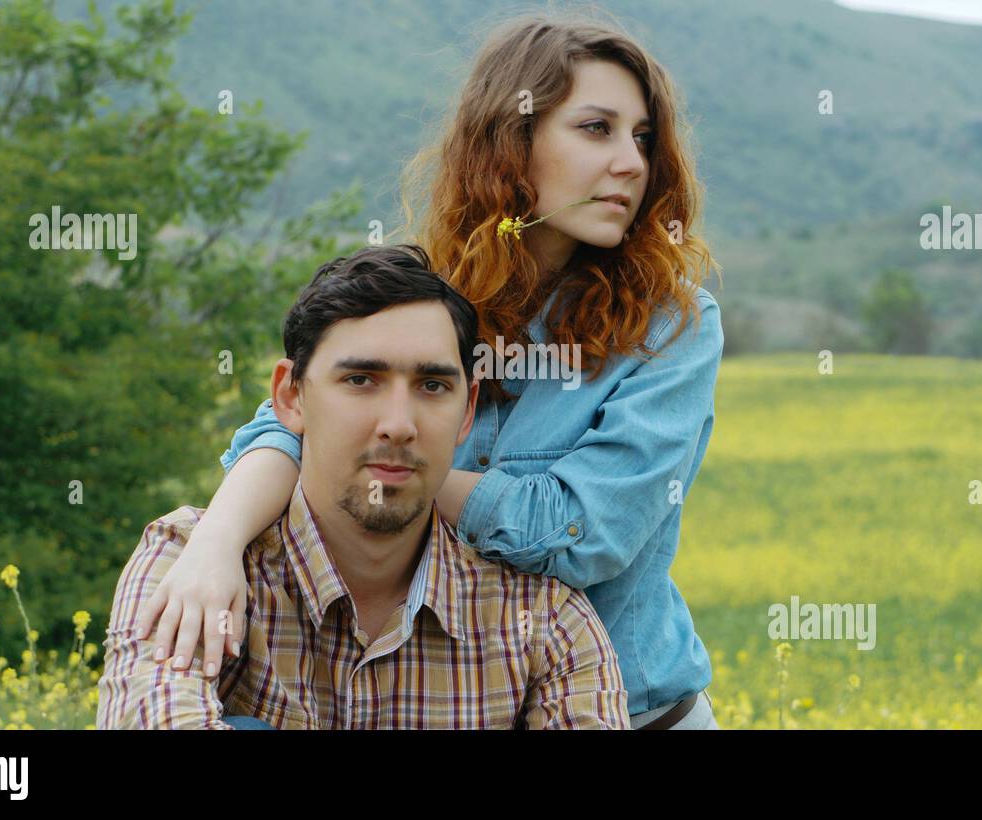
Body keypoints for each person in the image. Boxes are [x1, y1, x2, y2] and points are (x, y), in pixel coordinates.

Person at [133, 11, 723, 730]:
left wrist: (382, 463)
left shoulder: (673, 324)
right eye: (596, 129)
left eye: (642, 139)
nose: (631, 162)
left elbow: (585, 531)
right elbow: (289, 425)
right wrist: (216, 543)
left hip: (632, 713)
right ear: (511, 140)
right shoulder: (428, 290)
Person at [97, 245, 628, 729]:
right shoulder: (192, 568)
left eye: (432, 386)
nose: (399, 424)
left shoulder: (544, 619)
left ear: (466, 412)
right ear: (291, 397)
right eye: (360, 380)